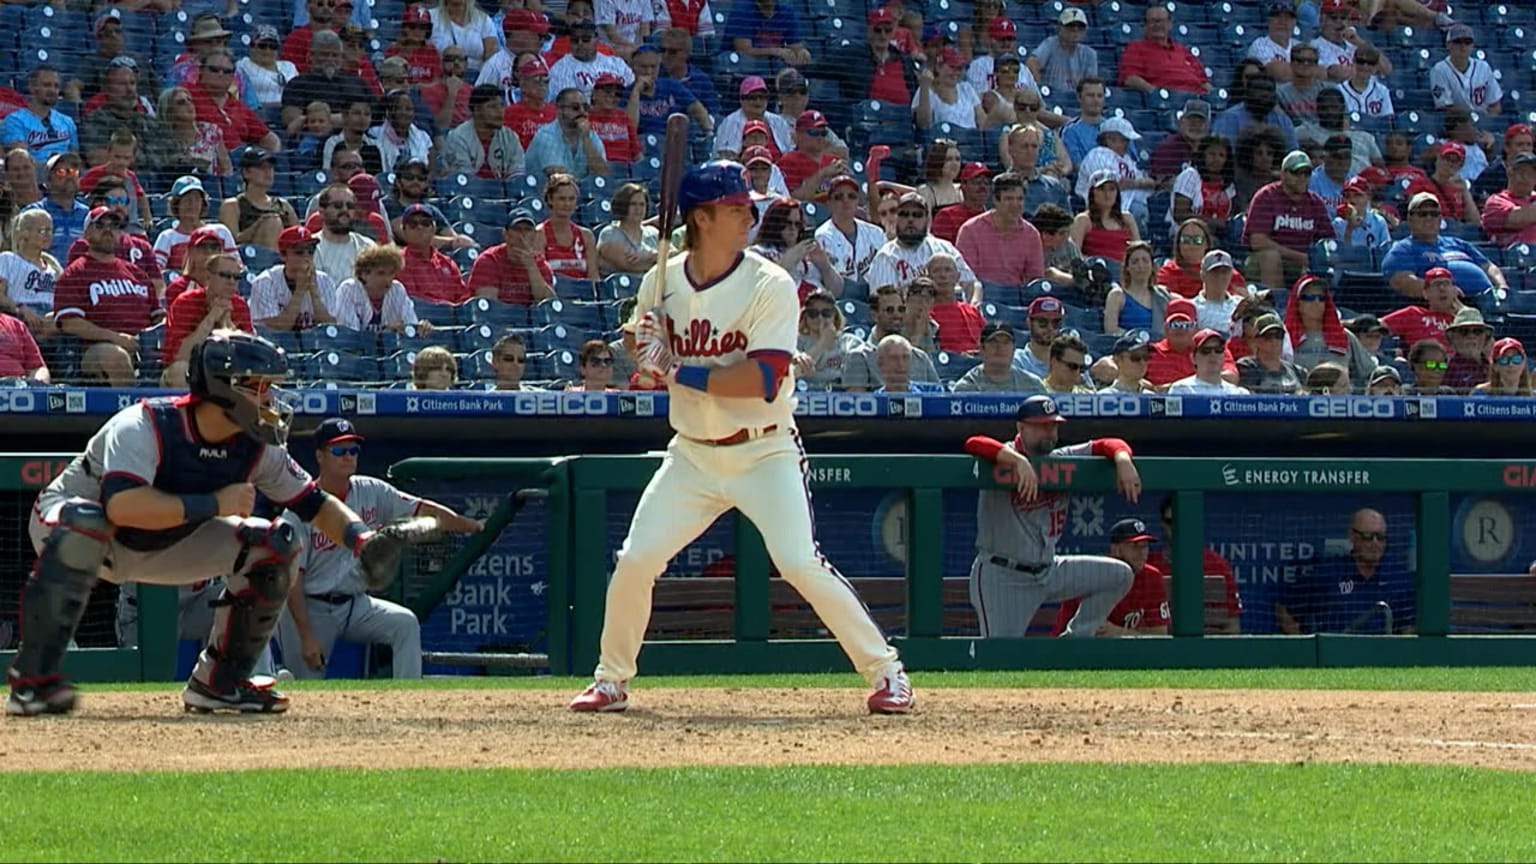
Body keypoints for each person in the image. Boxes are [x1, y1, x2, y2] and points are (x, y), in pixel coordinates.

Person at [570, 161, 913, 715]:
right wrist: (644, 344)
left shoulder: (769, 283)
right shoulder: (661, 278)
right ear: (701, 218)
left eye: (748, 206)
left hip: (763, 448)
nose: (748, 215)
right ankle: (611, 679)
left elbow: (762, 379)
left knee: (800, 562)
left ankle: (886, 671)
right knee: (636, 559)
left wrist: (677, 370)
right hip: (692, 456)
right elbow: (641, 343)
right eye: (734, 208)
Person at [4, 331, 402, 716]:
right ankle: (33, 680)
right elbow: (122, 507)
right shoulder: (145, 425)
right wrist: (214, 503)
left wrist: (361, 540)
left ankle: (219, 682)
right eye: (260, 387)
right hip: (76, 524)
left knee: (274, 544)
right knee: (85, 524)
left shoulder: (257, 445)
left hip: (165, 541)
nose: (271, 399)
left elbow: (314, 503)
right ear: (225, 388)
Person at [275, 417, 478, 672]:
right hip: (310, 607)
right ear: (319, 456)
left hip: (354, 603)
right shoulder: (301, 508)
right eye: (339, 450)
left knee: (404, 624)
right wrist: (306, 635)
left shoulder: (371, 490)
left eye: (353, 450)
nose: (348, 456)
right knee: (306, 685)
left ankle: (410, 703)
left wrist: (471, 525)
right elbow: (293, 579)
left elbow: (422, 509)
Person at [961, 394, 1141, 638]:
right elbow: (973, 442)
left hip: (1050, 570)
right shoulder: (1002, 455)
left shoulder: (1062, 456)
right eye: (1041, 426)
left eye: (1053, 425)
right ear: (1021, 428)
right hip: (1003, 575)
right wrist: (1017, 461)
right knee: (1001, 660)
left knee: (1119, 575)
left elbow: (1107, 444)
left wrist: (1122, 459)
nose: (1049, 432)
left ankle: (1074, 641)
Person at [53, 207, 157, 388]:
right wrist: (116, 338)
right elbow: (69, 323)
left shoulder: (137, 273)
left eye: (115, 225)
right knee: (116, 356)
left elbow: (158, 316)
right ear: (87, 233)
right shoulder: (75, 273)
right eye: (100, 225)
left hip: (144, 347)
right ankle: (131, 412)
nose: (108, 230)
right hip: (95, 349)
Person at [1277, 509, 1415, 635]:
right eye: (1367, 536)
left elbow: (1408, 628)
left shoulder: (1397, 579)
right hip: (1335, 657)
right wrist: (1305, 652)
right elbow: (1285, 609)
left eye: (1380, 537)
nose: (1375, 543)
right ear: (1352, 536)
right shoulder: (1327, 574)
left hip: (1382, 657)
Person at [1382, 192, 1507, 308]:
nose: (1429, 218)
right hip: (1448, 308)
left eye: (1434, 214)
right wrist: (1444, 292)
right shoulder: (1403, 249)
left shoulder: (1459, 243)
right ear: (1410, 219)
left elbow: (1489, 267)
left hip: (1488, 303)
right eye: (1422, 214)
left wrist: (1502, 288)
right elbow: (1403, 282)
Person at [1052, 518, 1170, 637]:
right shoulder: (1093, 575)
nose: (1142, 553)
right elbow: (1074, 634)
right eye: (1135, 546)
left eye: (1145, 546)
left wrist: (1118, 632)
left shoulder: (1152, 577)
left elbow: (1160, 635)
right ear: (1116, 550)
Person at [1146, 495, 1242, 633]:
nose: (1177, 527)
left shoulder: (1217, 565)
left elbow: (1233, 627)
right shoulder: (1149, 565)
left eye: (1182, 520)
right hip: (1164, 649)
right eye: (1171, 521)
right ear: (1162, 523)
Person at [1243, 150, 1334, 290]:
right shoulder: (1266, 196)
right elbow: (1258, 241)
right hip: (1262, 260)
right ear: (1283, 174)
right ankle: (1275, 305)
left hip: (1303, 263)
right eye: (1296, 173)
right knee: (1270, 256)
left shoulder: (1315, 202)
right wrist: (1298, 256)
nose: (1302, 178)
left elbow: (1328, 241)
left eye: (1306, 173)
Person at [163, 252, 256, 387]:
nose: (231, 282)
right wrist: (211, 317)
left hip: (223, 371)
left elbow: (248, 355)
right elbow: (180, 356)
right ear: (208, 277)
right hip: (187, 370)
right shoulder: (185, 302)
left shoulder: (239, 305)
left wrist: (227, 323)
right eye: (225, 275)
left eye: (237, 277)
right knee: (180, 370)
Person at [867, 192, 979, 300]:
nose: (910, 220)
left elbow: (972, 284)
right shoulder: (886, 257)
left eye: (917, 215)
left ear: (927, 219)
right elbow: (884, 304)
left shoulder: (945, 249)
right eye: (904, 214)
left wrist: (974, 304)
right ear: (897, 219)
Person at [955, 172, 1045, 292]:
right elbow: (967, 278)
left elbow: (1035, 279)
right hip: (982, 296)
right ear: (996, 201)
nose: (1015, 204)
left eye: (1020, 199)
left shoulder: (1031, 234)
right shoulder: (970, 231)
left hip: (1016, 298)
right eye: (1009, 199)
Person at [1284, 273, 1375, 386]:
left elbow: (1371, 373)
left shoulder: (1345, 336)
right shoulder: (1285, 338)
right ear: (1298, 303)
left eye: (1321, 298)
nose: (1316, 302)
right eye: (1309, 298)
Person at [250, 226, 339, 332]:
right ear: (283, 256)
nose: (306, 257)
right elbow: (276, 331)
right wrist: (299, 292)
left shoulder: (325, 281)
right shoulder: (265, 282)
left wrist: (314, 294)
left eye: (310, 251)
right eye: (299, 252)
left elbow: (330, 330)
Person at [1117, 4, 1210, 95]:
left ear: (1170, 24)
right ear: (1145, 25)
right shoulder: (1136, 48)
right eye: (1153, 21)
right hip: (1168, 102)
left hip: (1197, 99)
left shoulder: (1182, 50)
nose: (1157, 25)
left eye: (1161, 21)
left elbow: (1204, 82)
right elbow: (1130, 79)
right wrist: (1157, 93)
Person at [813, 176, 887, 288]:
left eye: (851, 196)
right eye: (839, 197)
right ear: (829, 203)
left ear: (858, 201)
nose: (846, 200)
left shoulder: (876, 233)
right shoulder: (821, 237)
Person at [334, 244, 424, 332]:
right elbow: (349, 334)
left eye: (391, 273)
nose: (387, 279)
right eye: (381, 273)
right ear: (364, 274)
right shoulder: (348, 290)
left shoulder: (397, 289)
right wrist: (384, 333)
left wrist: (419, 329)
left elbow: (411, 325)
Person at [0, 209, 61, 333]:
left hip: (49, 318)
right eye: (43, 231)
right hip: (18, 314)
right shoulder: (7, 259)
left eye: (51, 231)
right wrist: (21, 309)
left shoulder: (54, 267)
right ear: (24, 232)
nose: (48, 235)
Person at [792, 289, 864, 390]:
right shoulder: (795, 343)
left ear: (834, 315)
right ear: (805, 316)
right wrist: (822, 344)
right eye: (813, 313)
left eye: (826, 313)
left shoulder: (850, 342)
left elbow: (856, 376)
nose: (820, 318)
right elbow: (794, 373)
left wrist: (814, 375)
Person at [1, 65, 77, 161]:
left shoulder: (67, 122)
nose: (52, 90)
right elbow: (22, 161)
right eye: (47, 85)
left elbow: (75, 159)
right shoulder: (15, 121)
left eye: (56, 86)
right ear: (32, 88)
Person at [952, 322, 1047, 393]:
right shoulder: (967, 388)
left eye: (1006, 342)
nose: (1000, 347)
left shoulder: (1033, 385)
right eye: (993, 342)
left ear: (1014, 349)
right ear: (981, 348)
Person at [1381, 267, 1462, 349]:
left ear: (1455, 291)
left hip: (1460, 361)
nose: (1442, 288)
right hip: (1428, 361)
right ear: (1425, 294)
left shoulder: (1464, 318)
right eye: (1436, 284)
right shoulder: (1413, 314)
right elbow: (1374, 326)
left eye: (1446, 283)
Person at [1070, 170, 1141, 262]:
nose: (1107, 194)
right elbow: (1074, 254)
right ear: (1092, 192)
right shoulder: (1083, 220)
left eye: (1112, 189)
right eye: (1101, 189)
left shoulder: (1127, 219)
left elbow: (1139, 251)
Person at [1430, 25, 1501, 115]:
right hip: (1456, 124)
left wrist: (1487, 122)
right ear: (1448, 45)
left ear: (1472, 46)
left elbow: (1495, 105)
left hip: (1482, 123)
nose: (1463, 46)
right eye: (1458, 42)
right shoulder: (1439, 70)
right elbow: (1444, 107)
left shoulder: (1483, 67)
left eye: (1467, 42)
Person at [1028, 7, 1098, 95]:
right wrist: (1040, 88)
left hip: (1077, 101)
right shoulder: (1050, 44)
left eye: (1080, 27)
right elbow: (1032, 62)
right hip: (1051, 98)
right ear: (1060, 28)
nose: (1075, 30)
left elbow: (1091, 85)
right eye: (1070, 26)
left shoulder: (1090, 54)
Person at [1103, 241, 1168, 337]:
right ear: (1127, 268)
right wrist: (1139, 338)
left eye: (1145, 261)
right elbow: (1111, 330)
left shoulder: (1162, 295)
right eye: (1135, 262)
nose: (1140, 266)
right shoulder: (1117, 295)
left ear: (1152, 266)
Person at [1479, 152, 1536, 249]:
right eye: (1524, 172)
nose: (1528, 178)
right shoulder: (1496, 202)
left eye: (1533, 173)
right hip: (1519, 258)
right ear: (1510, 172)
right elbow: (1517, 219)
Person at [1236, 313, 1304, 394]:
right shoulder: (1247, 367)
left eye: (1278, 335)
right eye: (1268, 336)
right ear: (1256, 340)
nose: (1274, 341)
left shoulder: (1297, 371)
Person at [1168, 329, 1251, 395]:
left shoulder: (1238, 393)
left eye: (1218, 350)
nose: (1213, 354)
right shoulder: (1181, 390)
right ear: (1193, 358)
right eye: (1206, 351)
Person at [1442, 307, 1492, 392]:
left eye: (1477, 331)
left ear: (1485, 337)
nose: (1471, 336)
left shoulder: (1494, 366)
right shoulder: (1447, 369)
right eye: (1464, 331)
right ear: (1453, 337)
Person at [1098, 329, 1154, 393]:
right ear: (1118, 360)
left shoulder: (1152, 398)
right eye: (1136, 357)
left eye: (1146, 357)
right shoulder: (1104, 397)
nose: (1143, 363)